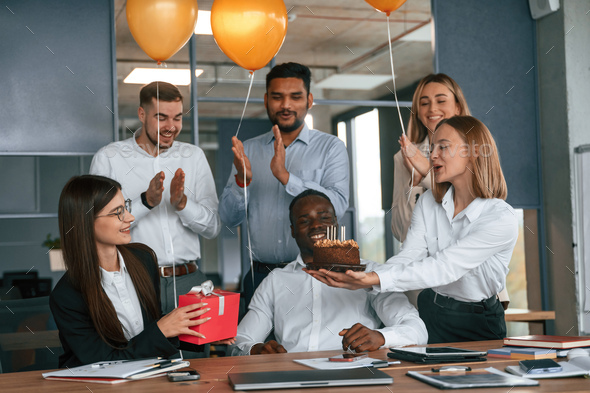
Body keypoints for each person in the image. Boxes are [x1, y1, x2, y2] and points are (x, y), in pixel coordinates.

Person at [307, 116, 518, 344]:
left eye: (443, 147)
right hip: (431, 310)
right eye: (433, 147)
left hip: (478, 321)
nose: (432, 155)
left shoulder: (500, 217)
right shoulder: (428, 202)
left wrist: (373, 278)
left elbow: (445, 267)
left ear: (474, 151)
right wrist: (368, 279)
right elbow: (410, 255)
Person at [230, 190, 427, 356]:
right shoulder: (276, 280)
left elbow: (416, 330)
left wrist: (382, 337)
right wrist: (255, 349)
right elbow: (240, 339)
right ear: (292, 230)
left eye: (324, 218)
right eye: (305, 221)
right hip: (293, 378)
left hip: (355, 375)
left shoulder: (370, 274)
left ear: (335, 223)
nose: (316, 225)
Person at [219, 63, 349, 307]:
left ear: (309, 100)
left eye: (295, 97)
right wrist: (241, 182)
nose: (286, 105)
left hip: (315, 273)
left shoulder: (331, 148)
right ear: (266, 100)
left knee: (313, 346)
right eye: (277, 97)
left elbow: (337, 206)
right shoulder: (250, 149)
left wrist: (285, 177)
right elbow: (228, 218)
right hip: (260, 275)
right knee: (258, 345)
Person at [49, 175, 213, 367]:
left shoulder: (143, 259)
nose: (130, 217)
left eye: (125, 207)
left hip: (147, 375)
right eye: (118, 212)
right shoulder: (66, 296)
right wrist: (160, 330)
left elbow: (150, 333)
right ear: (86, 221)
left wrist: (202, 332)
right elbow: (101, 361)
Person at [90, 81, 220, 314]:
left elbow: (212, 228)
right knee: (141, 350)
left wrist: (183, 205)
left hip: (190, 282)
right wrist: (145, 202)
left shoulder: (194, 156)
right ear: (142, 114)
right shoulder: (109, 158)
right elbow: (97, 226)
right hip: (136, 282)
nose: (171, 126)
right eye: (161, 118)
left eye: (177, 118)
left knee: (194, 352)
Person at [391, 73, 470, 243]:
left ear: (457, 107)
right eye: (424, 103)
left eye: (441, 101)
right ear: (418, 112)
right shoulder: (403, 158)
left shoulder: (474, 151)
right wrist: (414, 181)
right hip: (418, 263)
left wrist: (426, 173)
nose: (432, 109)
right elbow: (400, 231)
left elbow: (467, 218)